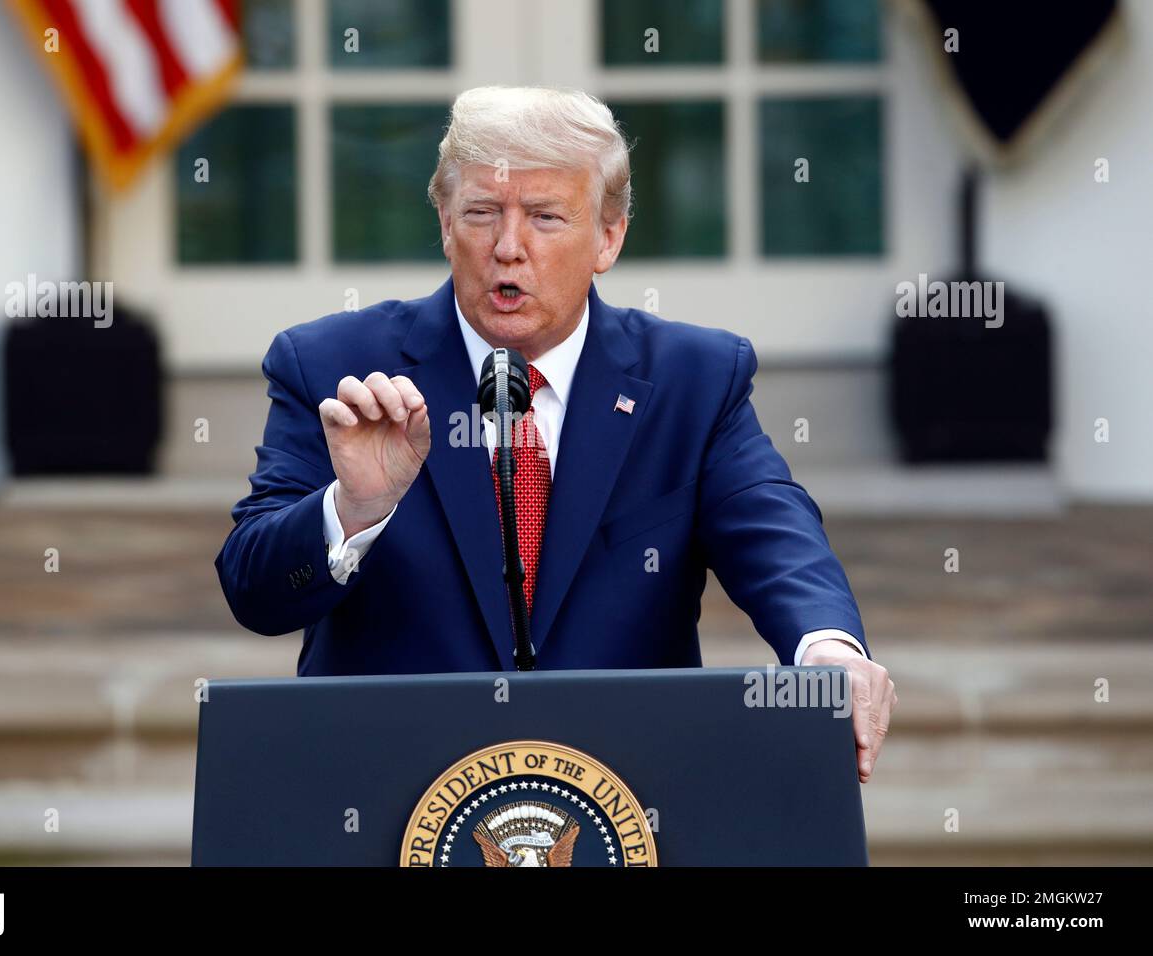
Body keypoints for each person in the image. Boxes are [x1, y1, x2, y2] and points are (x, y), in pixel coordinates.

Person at [216, 86, 897, 783]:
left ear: (609, 237)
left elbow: (777, 541)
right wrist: (352, 511)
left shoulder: (695, 379)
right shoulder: (334, 368)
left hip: (625, 801)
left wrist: (828, 653)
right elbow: (254, 590)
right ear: (447, 225)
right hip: (391, 797)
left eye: (545, 217)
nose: (508, 248)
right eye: (482, 213)